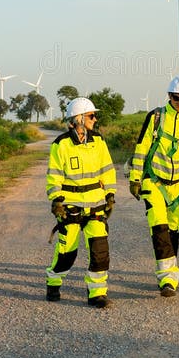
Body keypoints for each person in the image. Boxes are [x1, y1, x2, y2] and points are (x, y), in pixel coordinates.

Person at [129, 76, 179, 297]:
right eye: (177, 98)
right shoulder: (156, 117)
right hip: (154, 182)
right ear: (169, 96)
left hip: (178, 188)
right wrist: (135, 178)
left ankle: (169, 275)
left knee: (173, 234)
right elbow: (142, 147)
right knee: (159, 229)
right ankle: (167, 280)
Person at [46, 97, 117, 308]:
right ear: (78, 119)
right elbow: (54, 176)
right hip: (71, 207)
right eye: (91, 116)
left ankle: (97, 293)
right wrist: (56, 201)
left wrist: (110, 195)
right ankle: (53, 281)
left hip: (96, 206)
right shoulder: (61, 145)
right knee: (67, 254)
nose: (95, 119)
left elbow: (108, 170)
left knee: (100, 252)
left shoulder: (99, 141)